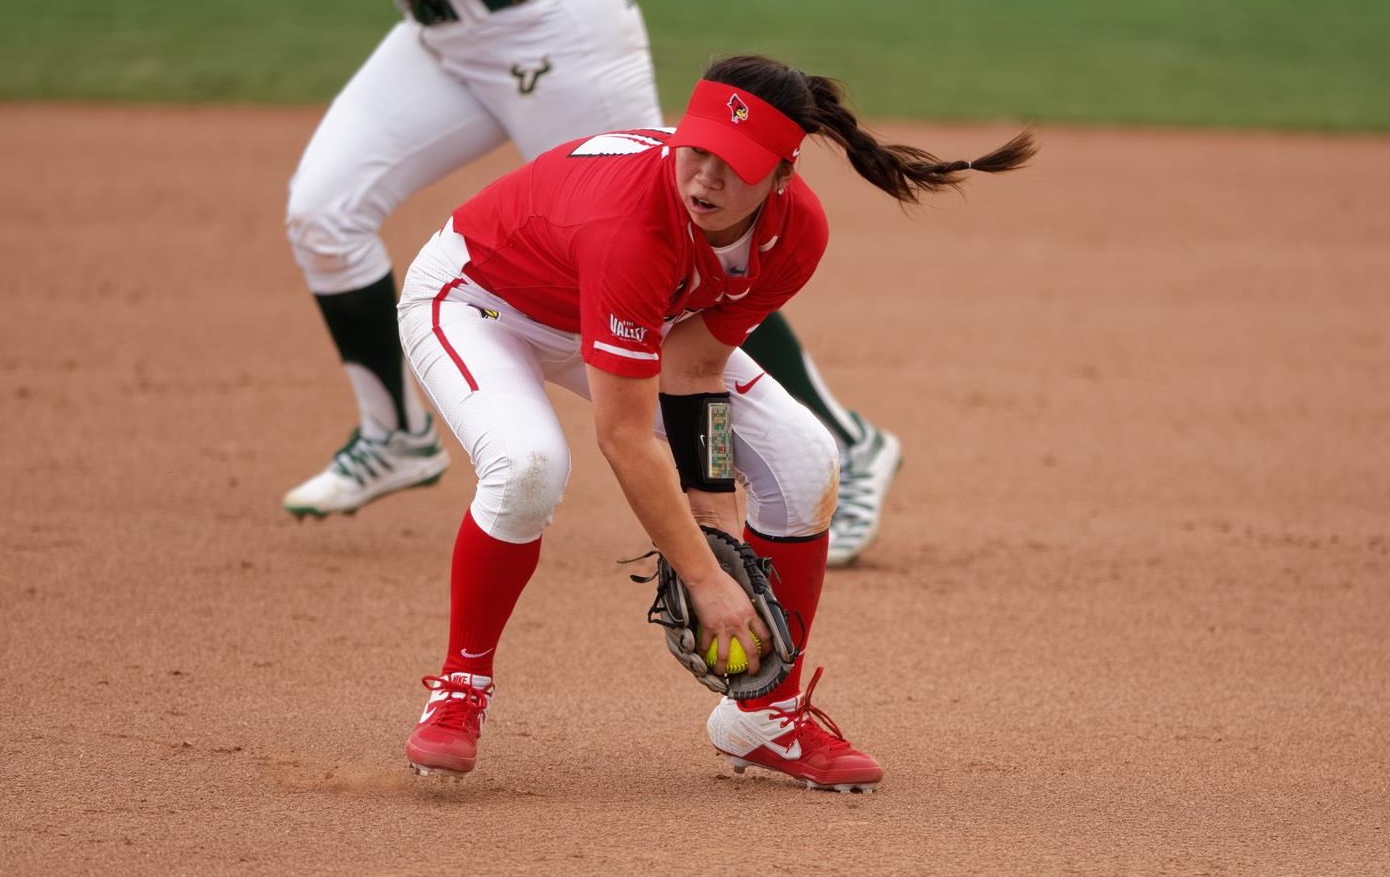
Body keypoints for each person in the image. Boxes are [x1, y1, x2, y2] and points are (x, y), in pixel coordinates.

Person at [394, 54, 1036, 790]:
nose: (704, 177)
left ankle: (764, 717)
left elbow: (693, 371)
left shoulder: (797, 236)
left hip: (615, 316)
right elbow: (626, 435)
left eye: (733, 165)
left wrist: (717, 526)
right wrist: (708, 577)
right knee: (528, 465)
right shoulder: (633, 226)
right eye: (695, 149)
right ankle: (459, 689)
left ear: (784, 176)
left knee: (805, 460)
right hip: (481, 299)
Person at [280, 0, 901, 566]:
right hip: (438, 36)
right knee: (322, 213)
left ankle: (838, 438)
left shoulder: (797, 223)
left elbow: (672, 384)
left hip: (555, 30)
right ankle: (393, 436)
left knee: (683, 225)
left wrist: (709, 530)